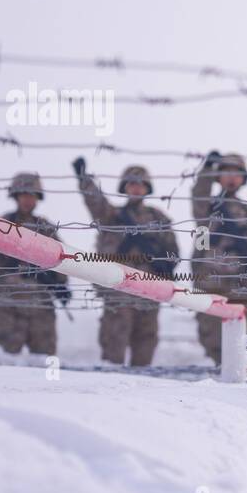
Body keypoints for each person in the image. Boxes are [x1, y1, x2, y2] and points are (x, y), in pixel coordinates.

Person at [74, 157, 179, 366]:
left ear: (147, 187)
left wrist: (161, 265)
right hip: (117, 291)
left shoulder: (159, 219)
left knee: (145, 345)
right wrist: (84, 178)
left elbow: (173, 253)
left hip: (150, 290)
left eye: (140, 184)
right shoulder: (111, 216)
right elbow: (95, 202)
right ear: (124, 186)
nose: (136, 188)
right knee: (113, 345)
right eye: (132, 183)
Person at [192, 151, 247, 364]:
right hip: (210, 283)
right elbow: (199, 195)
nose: (231, 177)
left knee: (244, 338)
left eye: (236, 173)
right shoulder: (207, 208)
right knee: (212, 337)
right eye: (226, 172)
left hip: (241, 284)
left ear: (243, 178)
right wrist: (207, 169)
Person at [0, 172, 68, 356]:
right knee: (6, 361)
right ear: (16, 196)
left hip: (41, 306)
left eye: (32, 195)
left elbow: (61, 256)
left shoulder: (45, 227)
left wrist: (61, 285)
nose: (28, 200)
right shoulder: (3, 224)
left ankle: (51, 386)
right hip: (10, 305)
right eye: (24, 195)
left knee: (47, 362)